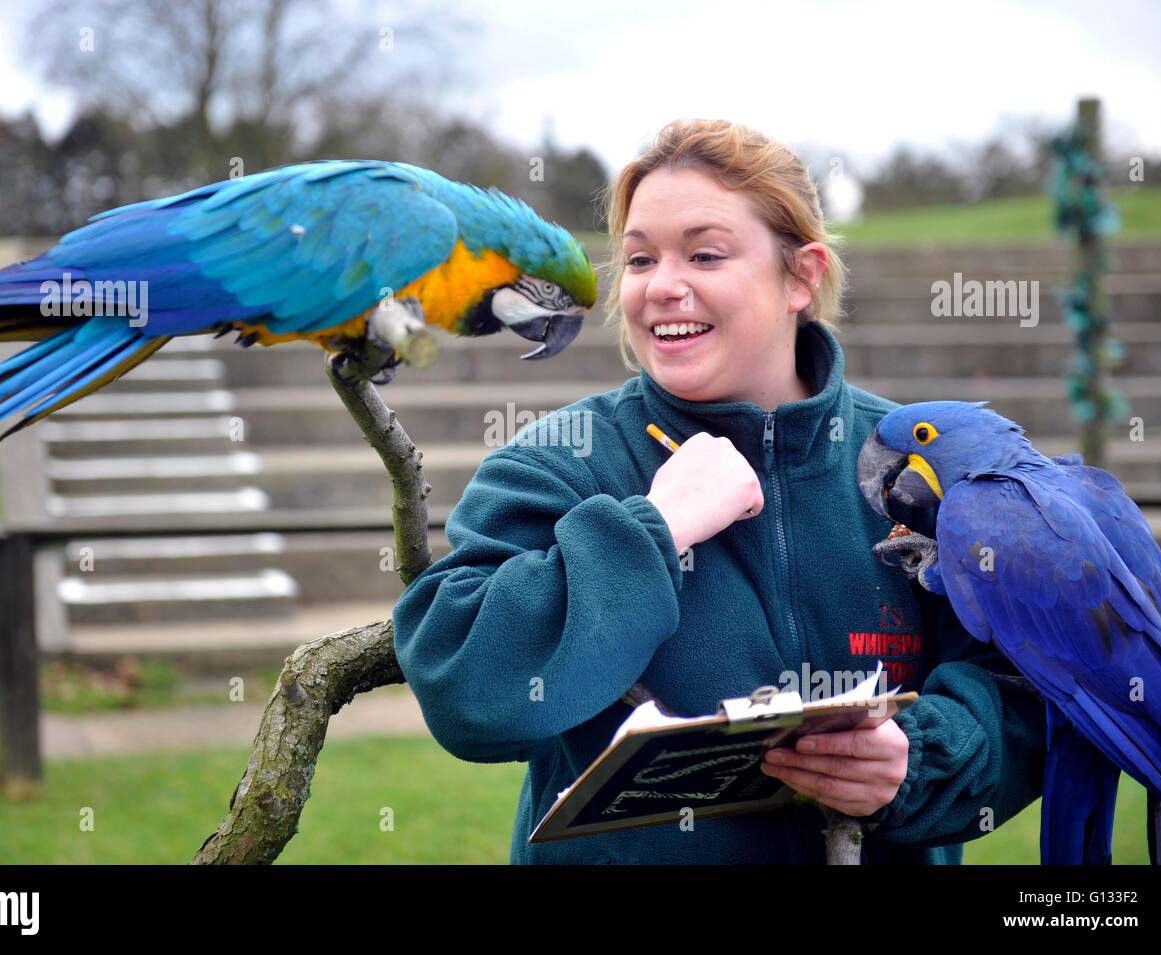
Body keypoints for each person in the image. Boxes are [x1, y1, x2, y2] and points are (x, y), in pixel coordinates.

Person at [392, 118, 1048, 864]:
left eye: (704, 254)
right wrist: (654, 528)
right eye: (639, 259)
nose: (662, 286)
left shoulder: (912, 465)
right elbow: (468, 692)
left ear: (802, 274)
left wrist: (917, 762)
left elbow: (1028, 690)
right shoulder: (556, 463)